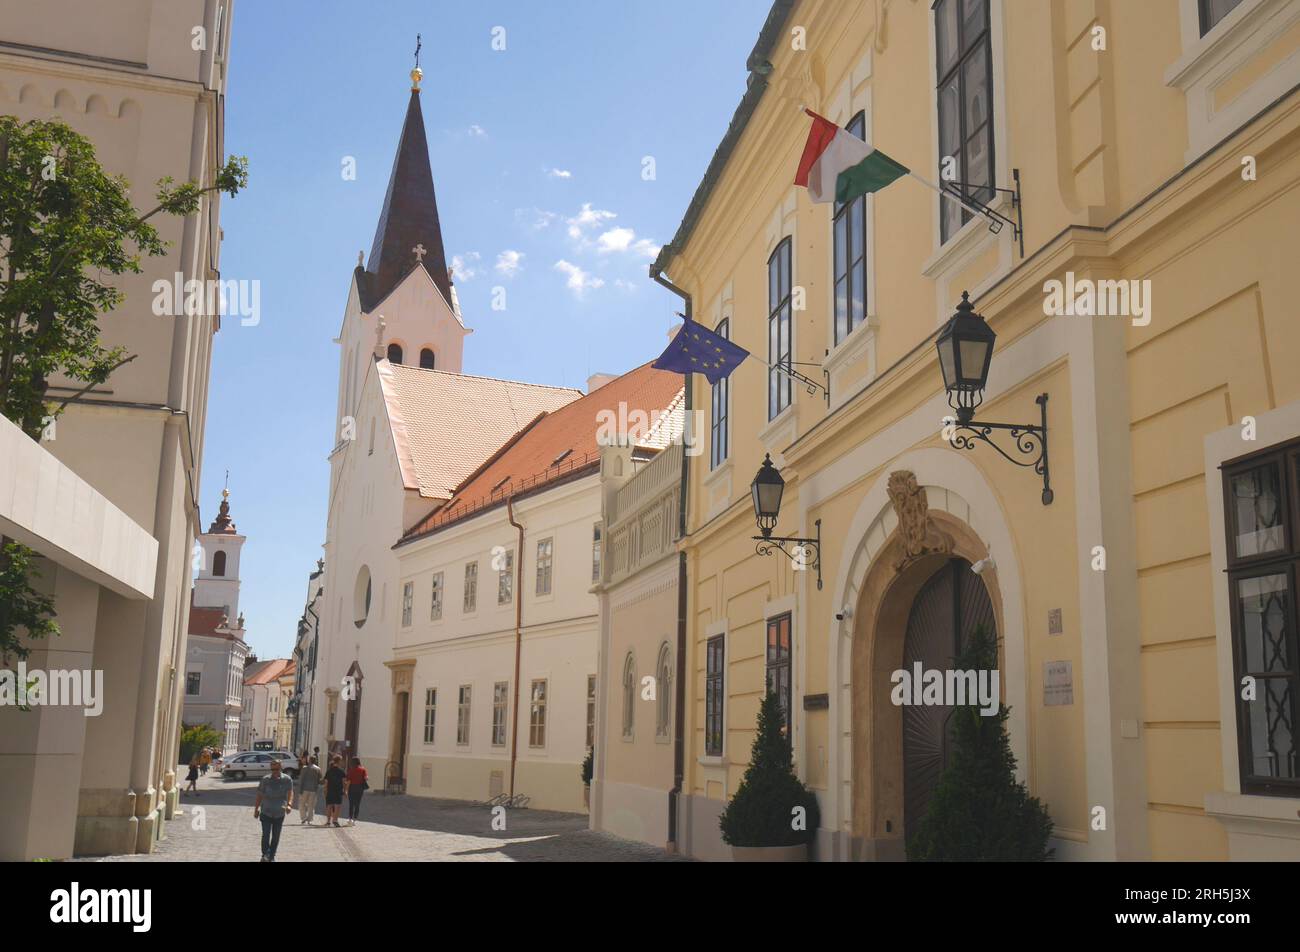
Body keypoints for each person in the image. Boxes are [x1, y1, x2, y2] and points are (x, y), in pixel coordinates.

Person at [253, 758, 295, 862]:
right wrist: (256, 808)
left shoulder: (287, 779)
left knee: (276, 836)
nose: (274, 771)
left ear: (281, 768)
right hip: (266, 811)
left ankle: (271, 856)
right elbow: (259, 794)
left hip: (279, 812)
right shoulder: (265, 779)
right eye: (272, 769)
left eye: (276, 769)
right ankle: (265, 854)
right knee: (266, 834)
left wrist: (289, 804)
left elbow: (290, 793)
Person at [297, 755, 323, 825]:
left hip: (305, 789)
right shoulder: (318, 769)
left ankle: (303, 818)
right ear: (315, 761)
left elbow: (301, 779)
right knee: (311, 805)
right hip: (313, 789)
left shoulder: (304, 768)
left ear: (310, 760)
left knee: (302, 804)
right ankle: (309, 819)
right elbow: (320, 779)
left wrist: (300, 789)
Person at [323, 755, 346, 828]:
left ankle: (328, 821)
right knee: (337, 806)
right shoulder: (341, 771)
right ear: (339, 761)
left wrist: (325, 791)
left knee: (329, 806)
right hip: (338, 790)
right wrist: (345, 791)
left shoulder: (329, 771)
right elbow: (344, 782)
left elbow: (326, 782)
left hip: (330, 790)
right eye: (341, 760)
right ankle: (335, 820)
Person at [345, 757, 368, 826]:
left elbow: (348, 781)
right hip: (360, 788)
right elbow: (366, 778)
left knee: (351, 804)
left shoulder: (351, 770)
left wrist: (346, 790)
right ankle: (355, 820)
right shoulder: (363, 769)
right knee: (357, 804)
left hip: (352, 788)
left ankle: (350, 819)